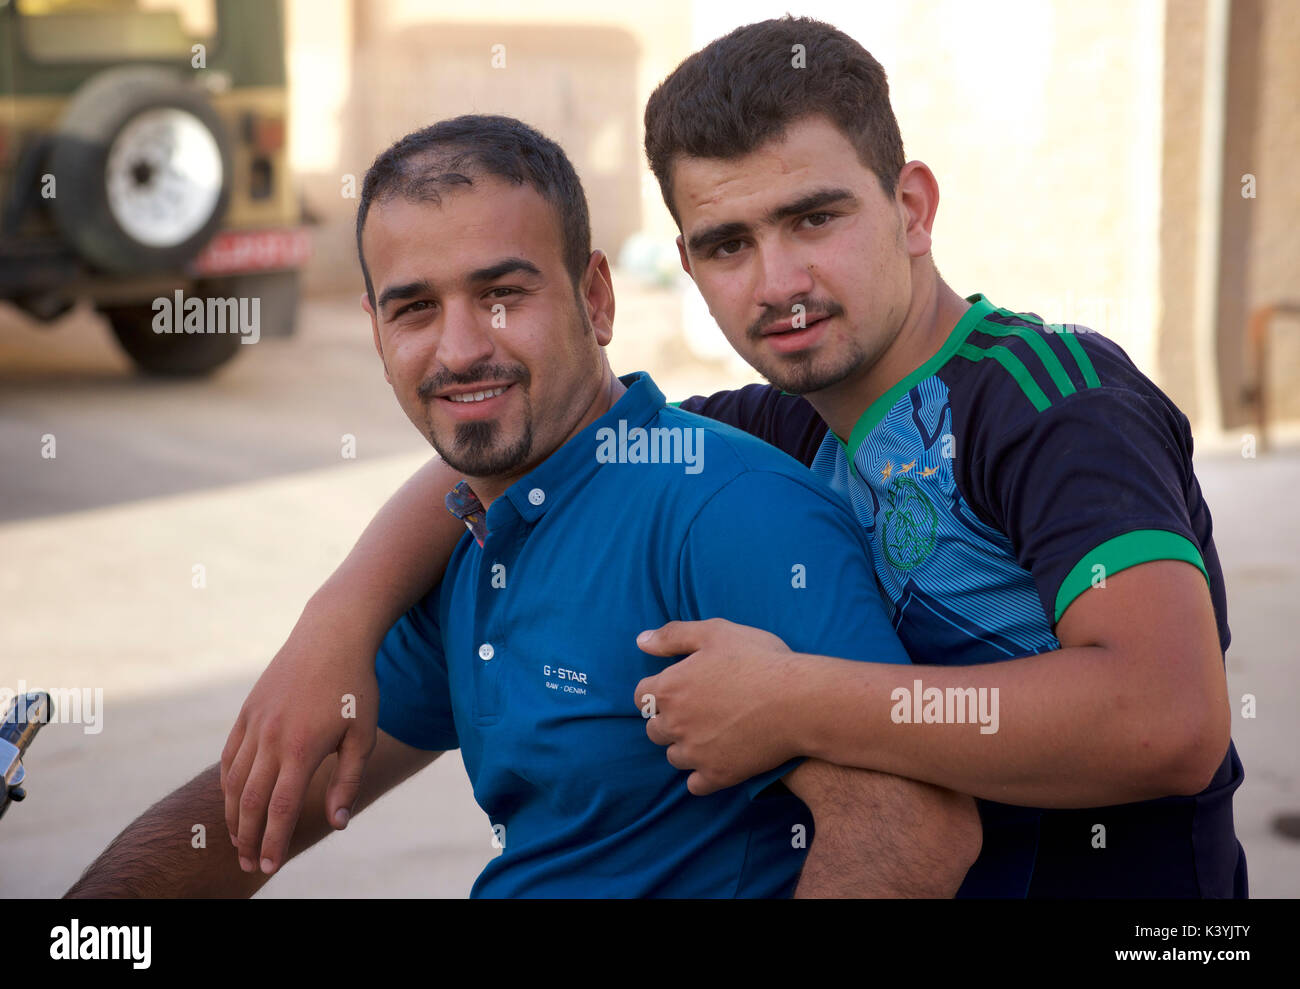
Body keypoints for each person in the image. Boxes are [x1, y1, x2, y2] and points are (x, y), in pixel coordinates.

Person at [221, 16, 1245, 898]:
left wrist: (796, 698)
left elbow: (1167, 716)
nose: (778, 279)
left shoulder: (1050, 400)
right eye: (726, 243)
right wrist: (337, 618)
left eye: (814, 217)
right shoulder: (782, 424)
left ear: (912, 208)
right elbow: (530, 435)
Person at [64, 115, 980, 899]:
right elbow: (261, 808)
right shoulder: (474, 537)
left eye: (502, 295)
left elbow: (912, 830)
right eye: (414, 309)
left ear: (594, 297)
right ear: (376, 332)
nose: (461, 349)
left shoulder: (724, 514)